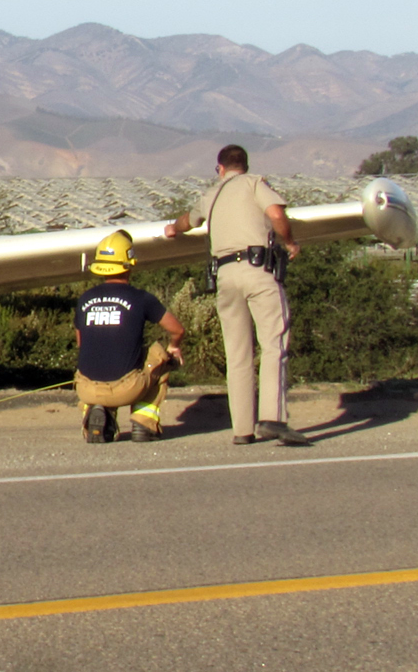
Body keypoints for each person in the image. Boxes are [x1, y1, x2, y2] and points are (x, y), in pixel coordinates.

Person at [164, 144, 310, 446]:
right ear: (244, 165)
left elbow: (187, 221)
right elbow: (275, 213)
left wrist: (171, 230)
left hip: (225, 276)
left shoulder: (212, 194)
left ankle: (242, 429)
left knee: (237, 354)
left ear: (220, 169)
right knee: (273, 343)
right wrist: (291, 242)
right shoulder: (255, 183)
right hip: (258, 270)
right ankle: (273, 418)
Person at [73, 231, 184, 443]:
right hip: (127, 389)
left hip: (86, 388)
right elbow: (177, 330)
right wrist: (174, 348)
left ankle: (96, 413)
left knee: (98, 357)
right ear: (129, 262)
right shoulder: (141, 298)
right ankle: (144, 422)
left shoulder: (84, 299)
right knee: (160, 357)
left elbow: (81, 343)